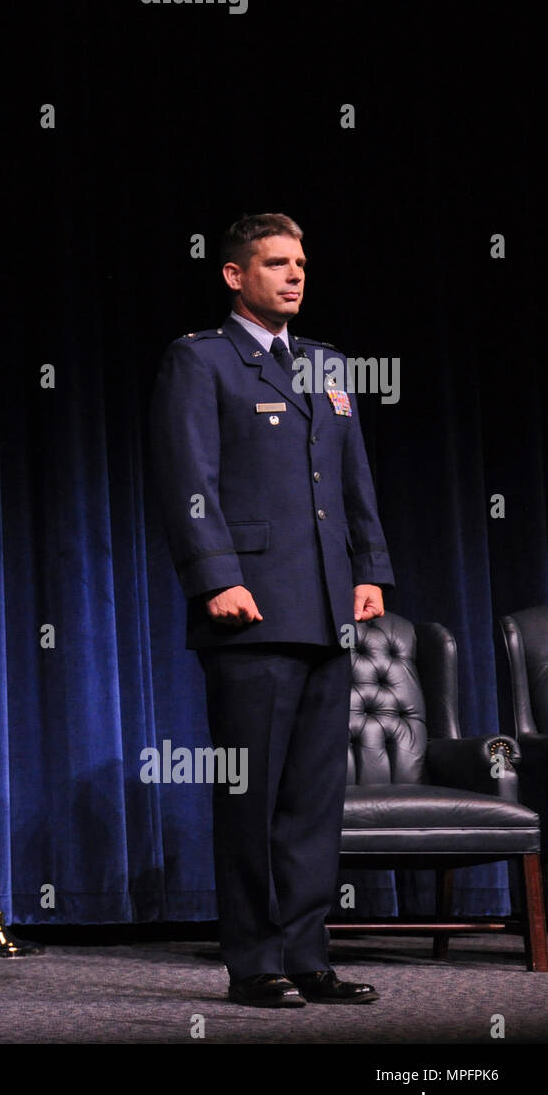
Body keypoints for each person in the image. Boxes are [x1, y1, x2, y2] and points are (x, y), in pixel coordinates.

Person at [150, 213, 394, 1007]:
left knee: (313, 799)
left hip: (329, 608)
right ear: (234, 275)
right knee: (251, 798)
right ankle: (256, 961)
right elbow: (188, 483)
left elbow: (352, 480)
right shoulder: (201, 360)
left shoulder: (329, 363)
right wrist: (215, 576)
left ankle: (308, 953)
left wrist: (370, 571)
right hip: (249, 611)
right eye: (275, 263)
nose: (294, 276)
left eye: (300, 264)